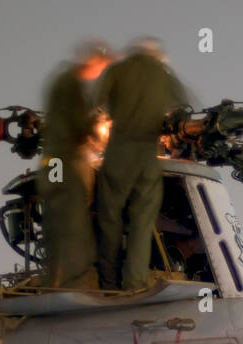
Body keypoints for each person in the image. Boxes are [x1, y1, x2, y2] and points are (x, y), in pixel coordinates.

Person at [95, 38, 189, 291]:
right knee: (141, 222)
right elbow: (185, 103)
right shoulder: (162, 74)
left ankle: (107, 285)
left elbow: (95, 102)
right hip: (147, 155)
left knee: (109, 220)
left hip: (116, 153)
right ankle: (134, 284)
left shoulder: (116, 70)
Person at [36, 40, 115, 289]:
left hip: (53, 165)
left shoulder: (60, 81)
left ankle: (52, 284)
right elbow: (80, 124)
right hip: (67, 165)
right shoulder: (71, 84)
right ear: (94, 61)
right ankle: (76, 290)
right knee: (75, 234)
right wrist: (100, 135)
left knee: (56, 228)